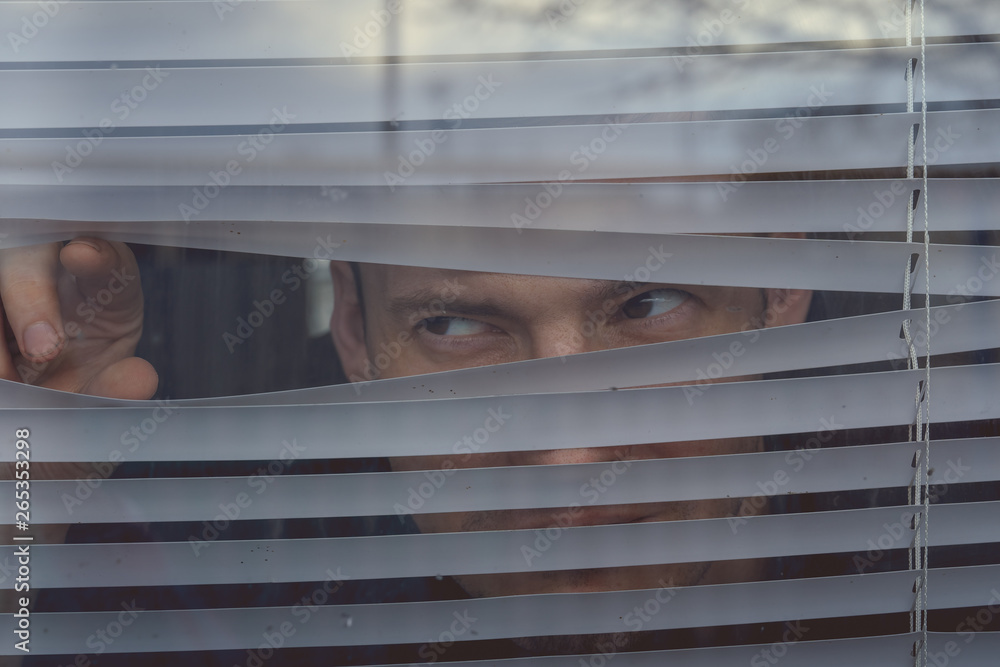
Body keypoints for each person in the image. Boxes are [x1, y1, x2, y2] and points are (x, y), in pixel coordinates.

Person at [2, 235, 821, 663]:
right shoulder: (230, 629)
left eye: (649, 304)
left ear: (779, 288)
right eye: (455, 326)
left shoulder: (925, 589)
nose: (567, 461)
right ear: (356, 339)